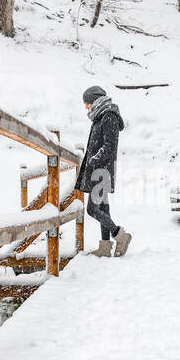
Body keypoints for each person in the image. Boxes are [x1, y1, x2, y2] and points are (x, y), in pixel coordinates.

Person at [74, 85, 131, 257]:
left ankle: (121, 236)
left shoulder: (109, 116)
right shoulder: (100, 117)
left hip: (102, 171)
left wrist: (93, 160)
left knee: (93, 209)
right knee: (103, 209)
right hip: (98, 170)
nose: (87, 107)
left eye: (88, 103)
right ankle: (105, 248)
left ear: (96, 100)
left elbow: (110, 146)